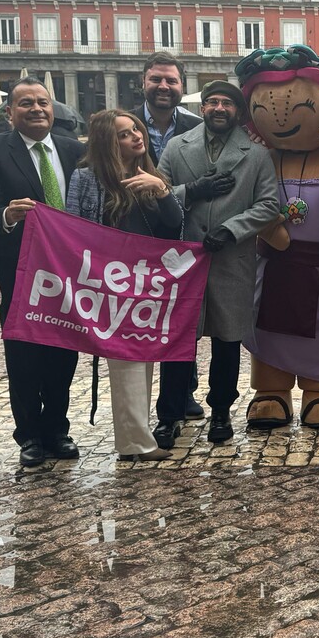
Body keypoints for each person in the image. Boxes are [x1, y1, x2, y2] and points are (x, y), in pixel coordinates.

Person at [155, 81, 280, 447]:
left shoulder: (256, 156)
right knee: (178, 343)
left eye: (226, 103)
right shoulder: (177, 147)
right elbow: (157, 193)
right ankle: (170, 414)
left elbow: (268, 205)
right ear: (203, 107)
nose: (218, 108)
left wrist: (232, 229)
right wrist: (191, 191)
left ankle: (222, 411)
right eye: (211, 102)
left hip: (231, 259)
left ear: (238, 111)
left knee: (227, 342)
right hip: (184, 262)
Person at [0, 77, 85, 468]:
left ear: (53, 109)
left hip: (69, 271)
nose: (36, 109)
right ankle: (29, 436)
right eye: (26, 104)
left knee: (63, 350)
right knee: (23, 353)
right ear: (10, 113)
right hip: (20, 268)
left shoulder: (73, 150)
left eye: (43, 102)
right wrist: (6, 215)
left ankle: (57, 429)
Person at [66, 109, 183, 461]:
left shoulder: (150, 175)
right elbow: (75, 228)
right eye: (123, 133)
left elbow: (174, 227)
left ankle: (136, 436)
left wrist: (161, 189)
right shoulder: (87, 178)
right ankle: (135, 443)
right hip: (110, 283)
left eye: (136, 128)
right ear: (107, 142)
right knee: (127, 361)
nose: (136, 135)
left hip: (149, 283)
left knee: (144, 356)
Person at [132, 51, 203, 420]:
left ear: (181, 87)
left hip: (184, 232)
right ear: (143, 82)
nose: (163, 86)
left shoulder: (196, 126)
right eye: (156, 79)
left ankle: (183, 390)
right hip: (136, 237)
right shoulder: (124, 125)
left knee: (182, 317)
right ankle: (137, 397)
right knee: (137, 317)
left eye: (171, 81)